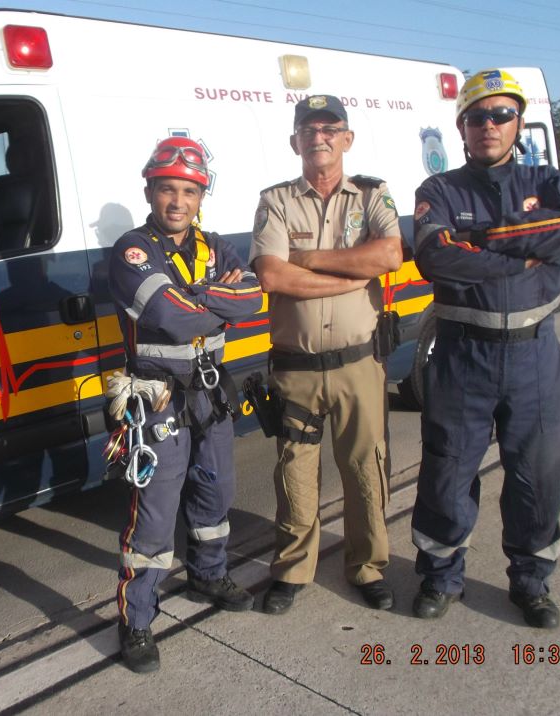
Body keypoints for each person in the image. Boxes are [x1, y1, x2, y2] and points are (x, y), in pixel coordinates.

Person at [410, 69, 560, 629]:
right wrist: (525, 250)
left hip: (535, 356)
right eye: (476, 117)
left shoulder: (547, 179)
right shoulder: (438, 190)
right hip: (462, 357)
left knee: (537, 476)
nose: (489, 125)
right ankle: (441, 576)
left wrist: (482, 239)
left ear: (518, 122)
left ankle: (531, 582)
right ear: (461, 128)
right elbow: (436, 257)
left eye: (501, 114)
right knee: (447, 471)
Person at [108, 137, 263, 673]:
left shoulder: (216, 246)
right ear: (149, 192)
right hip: (157, 397)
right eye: (167, 189)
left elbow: (253, 297)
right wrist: (216, 299)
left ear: (201, 197)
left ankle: (208, 575)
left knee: (215, 491)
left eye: (189, 191)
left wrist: (200, 297)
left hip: (210, 394)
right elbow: (169, 316)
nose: (178, 201)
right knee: (154, 514)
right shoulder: (132, 250)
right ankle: (136, 620)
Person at [250, 95, 403, 615]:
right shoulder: (275, 200)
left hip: (360, 364)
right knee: (294, 473)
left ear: (347, 139)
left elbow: (389, 254)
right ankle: (293, 570)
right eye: (308, 130)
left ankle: (368, 567)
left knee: (366, 470)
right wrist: (352, 275)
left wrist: (309, 259)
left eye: (330, 128)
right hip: (296, 368)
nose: (319, 137)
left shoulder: (372, 195)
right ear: (294, 141)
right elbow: (273, 275)